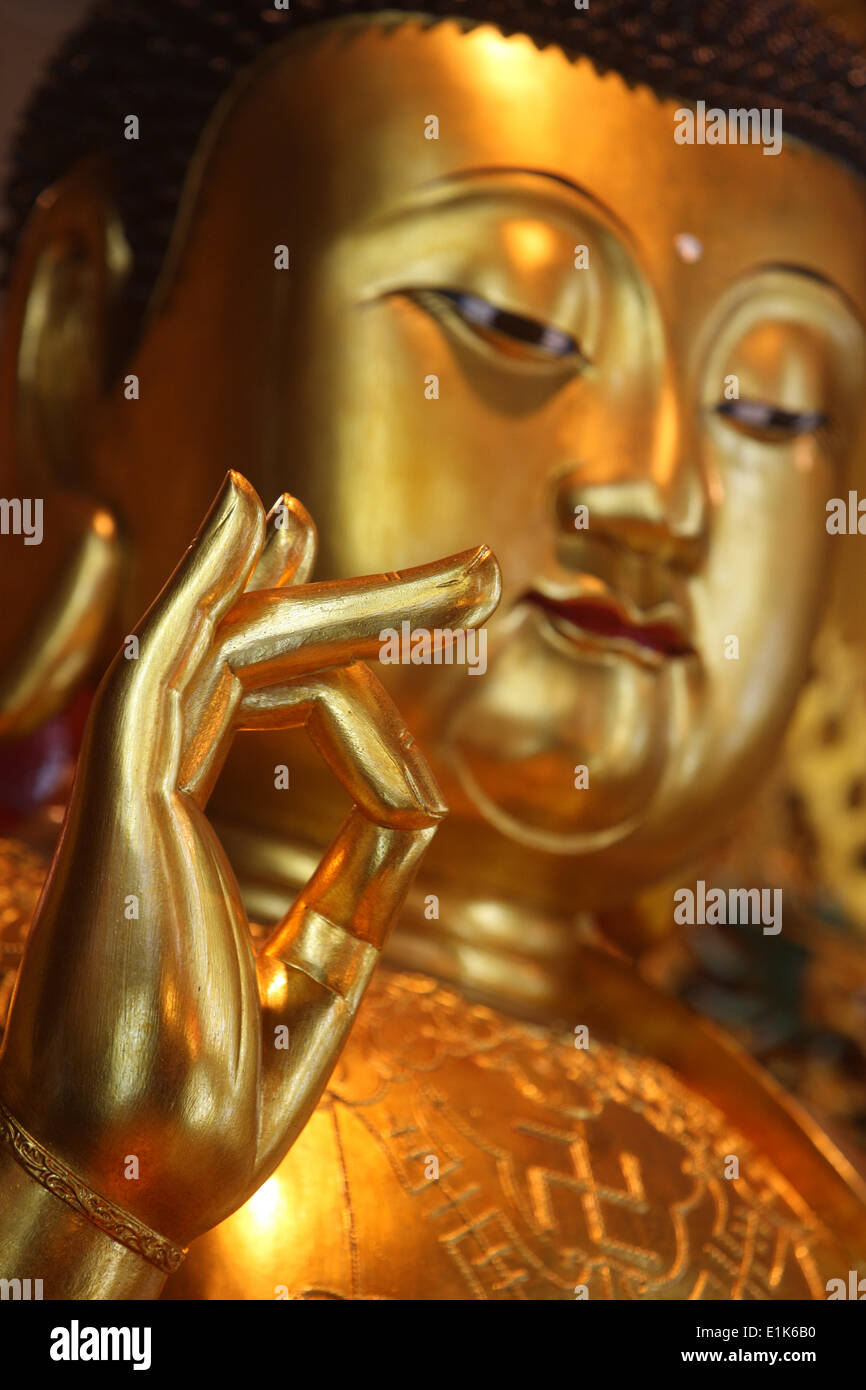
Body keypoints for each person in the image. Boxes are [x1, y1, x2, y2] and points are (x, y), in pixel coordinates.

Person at [0, 0, 865, 1299]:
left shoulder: (786, 1156)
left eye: (771, 406)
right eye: (507, 320)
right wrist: (77, 1197)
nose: (662, 498)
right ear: (81, 350)